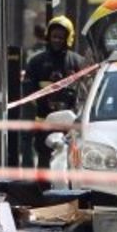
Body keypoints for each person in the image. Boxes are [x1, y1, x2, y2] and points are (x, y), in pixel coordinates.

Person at [22, 15, 87, 168]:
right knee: (44, 160)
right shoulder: (36, 62)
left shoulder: (78, 62)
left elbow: (85, 92)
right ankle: (42, 190)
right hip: (44, 121)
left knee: (70, 160)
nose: (57, 40)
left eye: (61, 37)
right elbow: (28, 92)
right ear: (48, 37)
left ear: (68, 38)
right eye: (54, 36)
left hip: (70, 124)